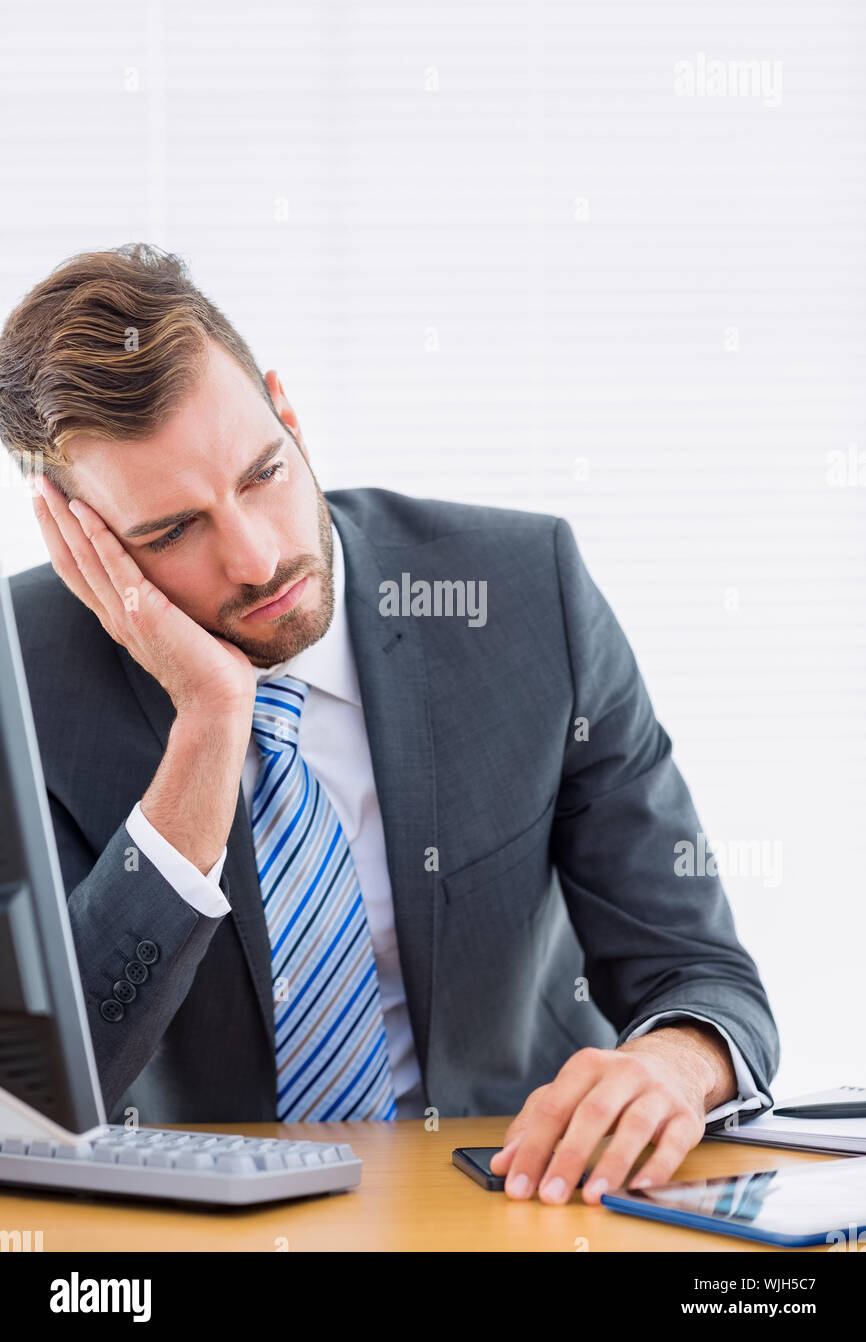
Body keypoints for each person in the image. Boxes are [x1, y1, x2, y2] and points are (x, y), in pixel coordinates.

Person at [0, 243, 778, 1206]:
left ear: (288, 410)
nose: (256, 557)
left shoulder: (525, 593)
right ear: (82, 540)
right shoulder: (25, 680)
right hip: (211, 1228)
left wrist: (673, 1066)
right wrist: (208, 727)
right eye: (171, 532)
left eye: (262, 473)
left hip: (518, 1203)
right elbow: (29, 1110)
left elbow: (702, 975)